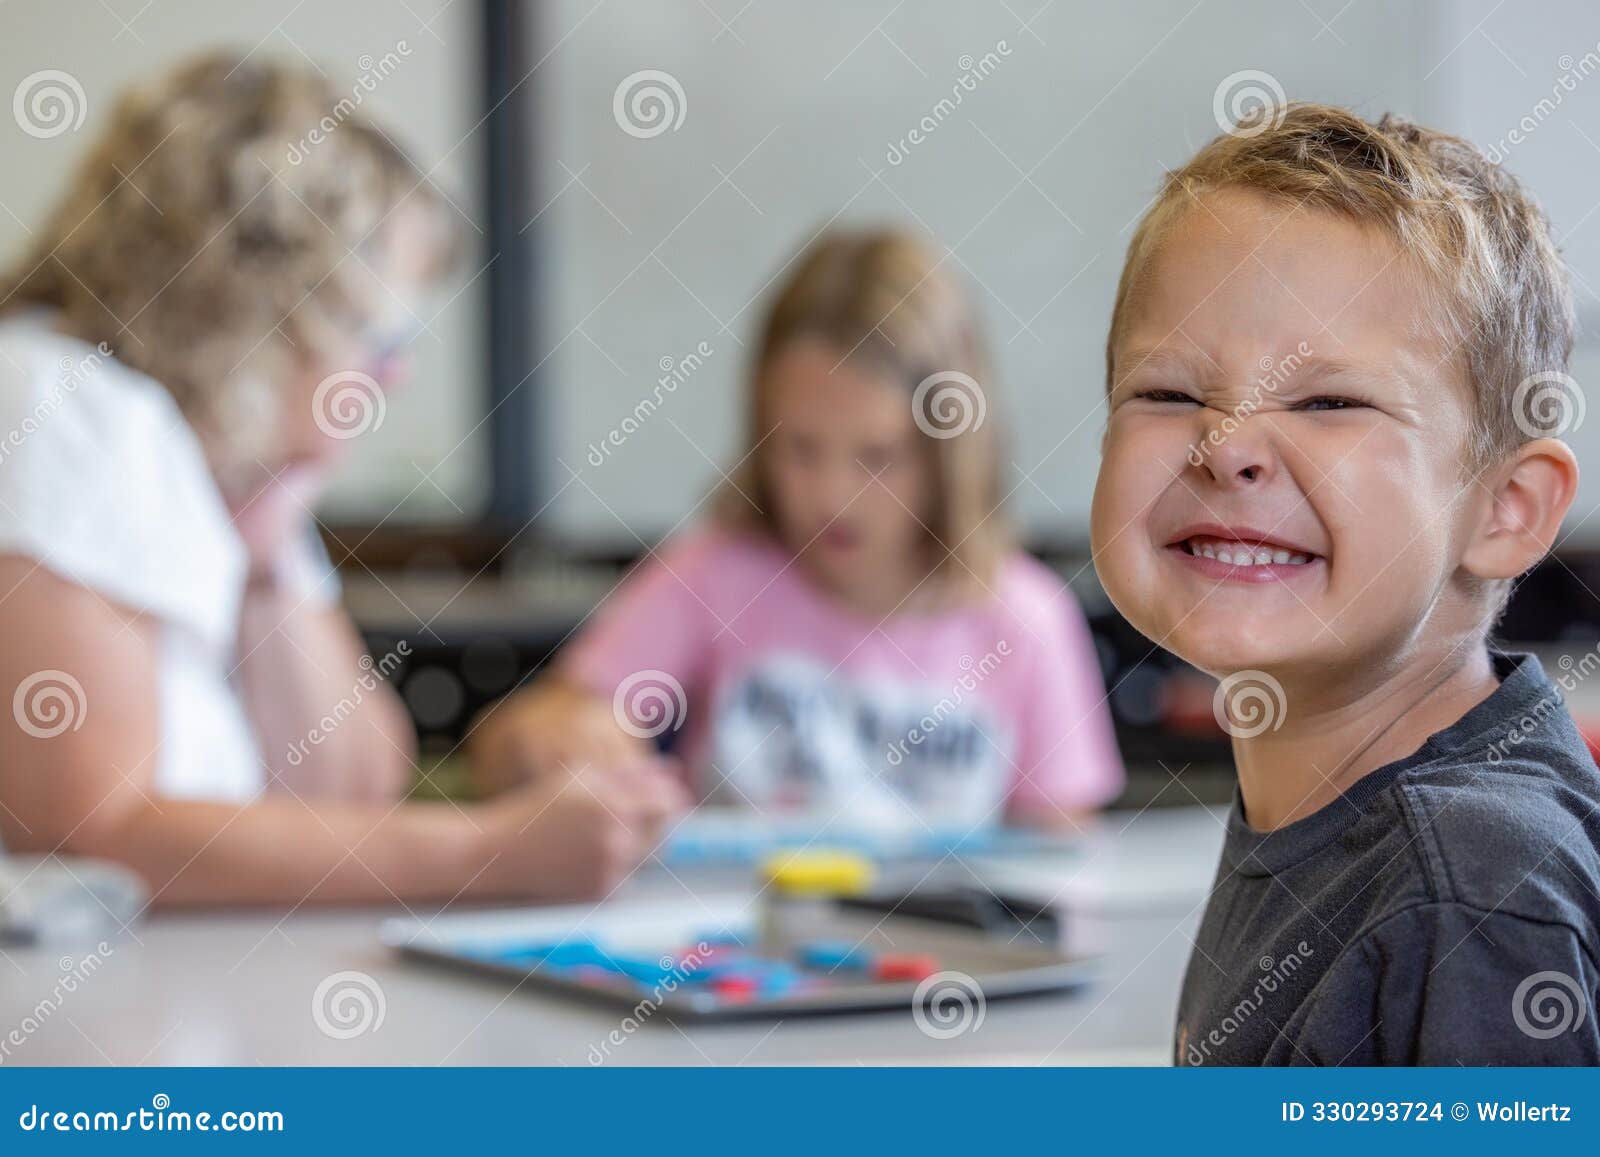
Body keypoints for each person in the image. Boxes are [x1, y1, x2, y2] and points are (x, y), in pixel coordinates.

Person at [0, 53, 684, 907]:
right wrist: (485, 854)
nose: (388, 378)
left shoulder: (217, 468)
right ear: (261, 304)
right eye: (375, 334)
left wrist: (267, 552)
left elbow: (350, 789)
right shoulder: (58, 398)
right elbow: (89, 836)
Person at [1092, 102, 1600, 1063]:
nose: (1224, 444)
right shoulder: (1347, 823)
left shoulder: (1468, 888)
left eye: (1328, 402)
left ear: (1507, 508)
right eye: (1168, 391)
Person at [473, 229, 1124, 831]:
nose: (832, 496)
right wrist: (552, 739)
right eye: (800, 449)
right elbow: (516, 746)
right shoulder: (716, 575)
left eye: (876, 456)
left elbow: (1063, 867)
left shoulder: (1028, 622)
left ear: (948, 450)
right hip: (726, 946)